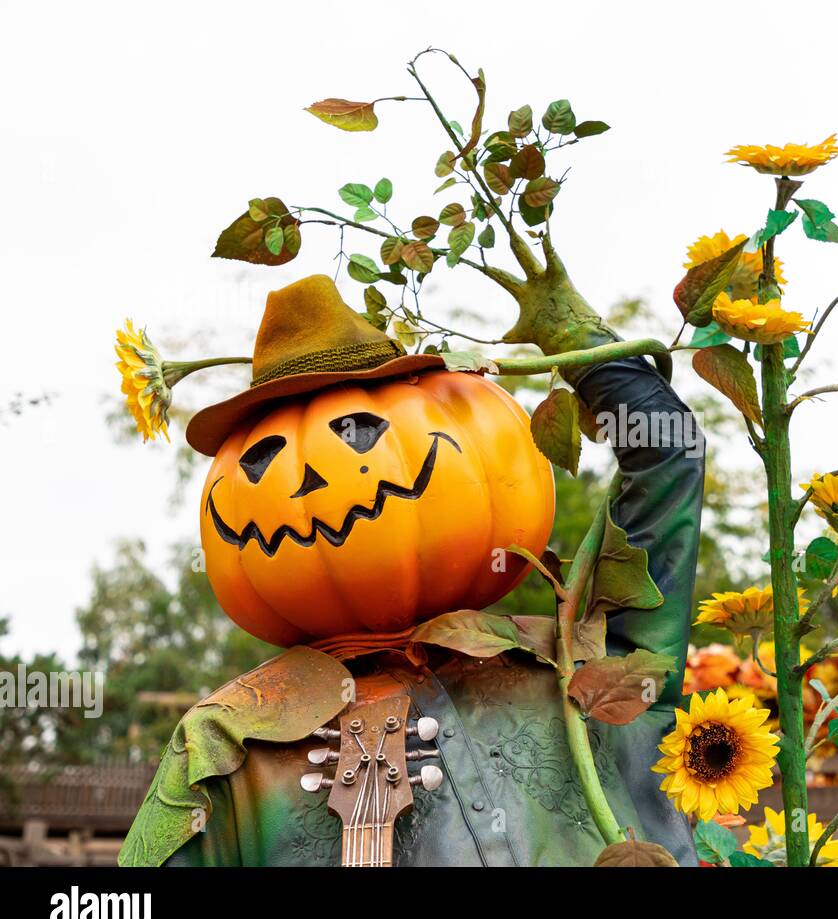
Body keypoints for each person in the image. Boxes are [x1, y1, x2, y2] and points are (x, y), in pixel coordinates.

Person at [119, 276, 705, 866]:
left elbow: (669, 450)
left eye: (359, 435)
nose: (307, 483)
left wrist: (574, 338)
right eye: (260, 461)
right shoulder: (227, 747)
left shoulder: (586, 666)